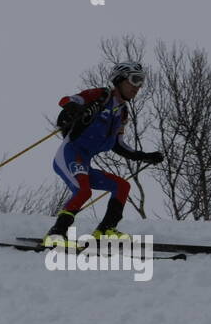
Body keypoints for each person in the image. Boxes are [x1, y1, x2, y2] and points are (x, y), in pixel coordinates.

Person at [42, 61, 165, 246]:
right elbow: (66, 100)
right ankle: (56, 234)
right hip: (69, 155)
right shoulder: (100, 96)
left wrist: (144, 156)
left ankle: (105, 230)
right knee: (83, 191)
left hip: (84, 162)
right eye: (134, 80)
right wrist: (76, 109)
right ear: (120, 79)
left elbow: (119, 145)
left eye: (141, 82)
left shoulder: (122, 113)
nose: (138, 87)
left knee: (122, 186)